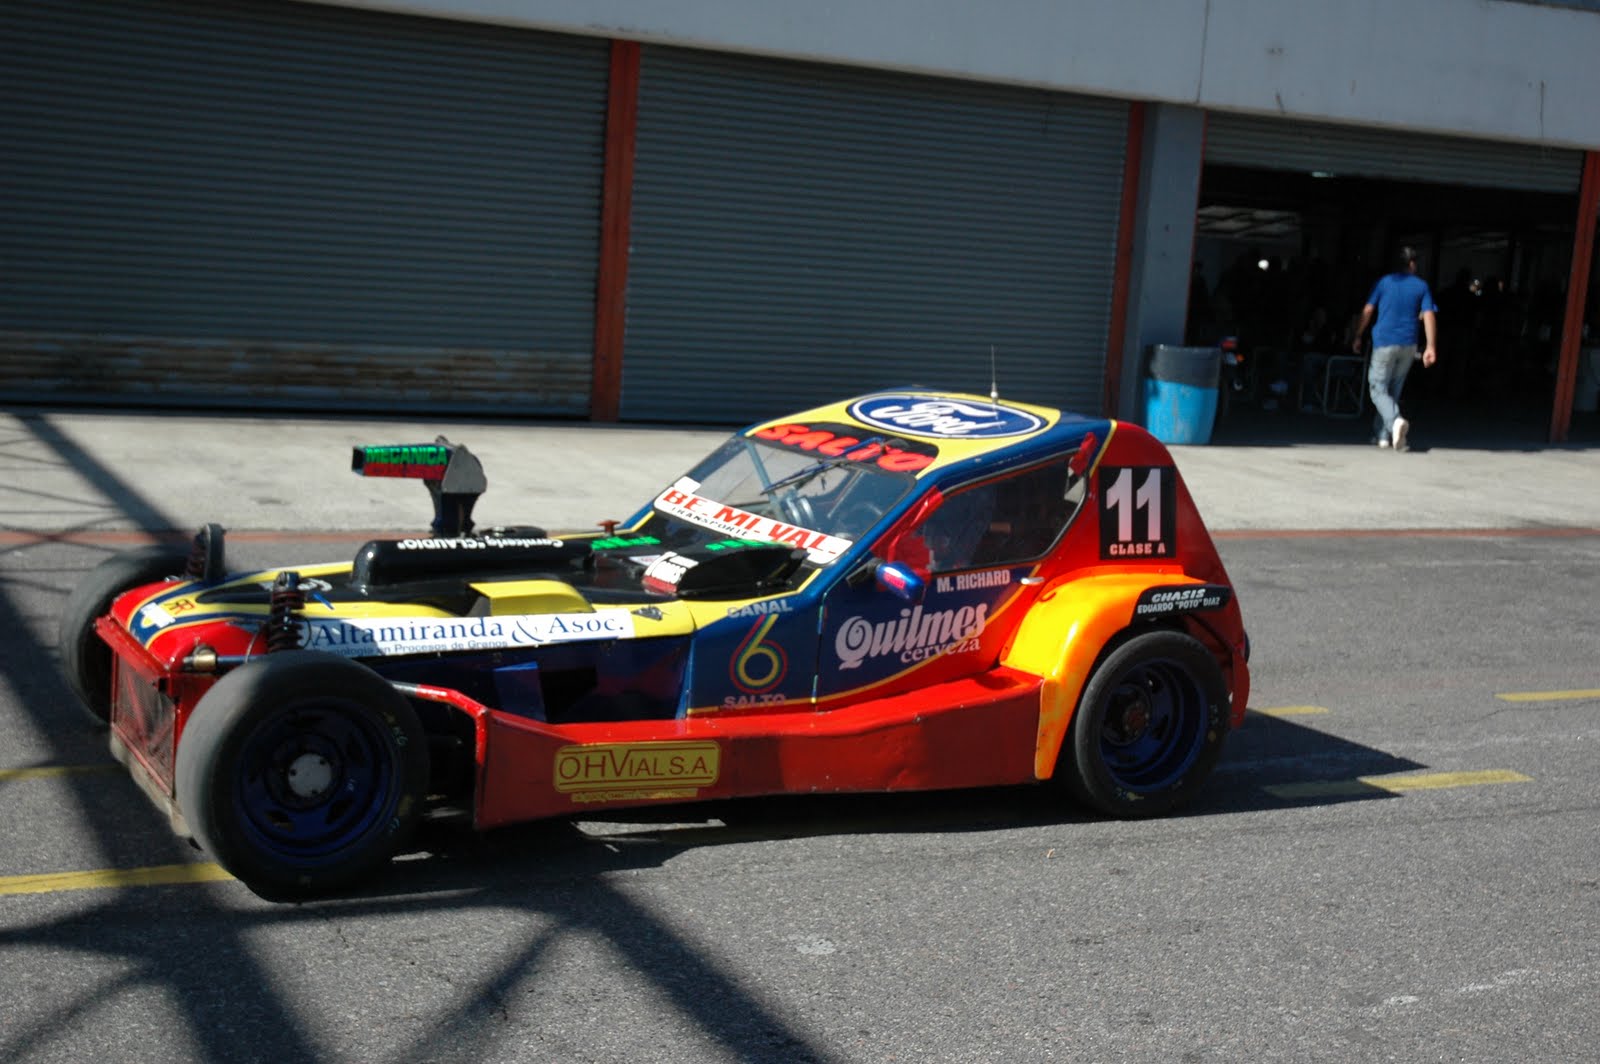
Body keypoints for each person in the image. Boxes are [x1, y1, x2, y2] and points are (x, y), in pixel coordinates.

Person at [1352, 246, 1438, 451]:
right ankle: (1382, 435)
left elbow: (1368, 309)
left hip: (1384, 341)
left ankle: (1395, 421)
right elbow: (1429, 314)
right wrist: (1431, 346)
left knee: (1377, 388)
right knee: (1393, 391)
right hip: (1409, 343)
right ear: (1412, 264)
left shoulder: (1384, 283)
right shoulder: (1421, 286)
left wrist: (1357, 334)